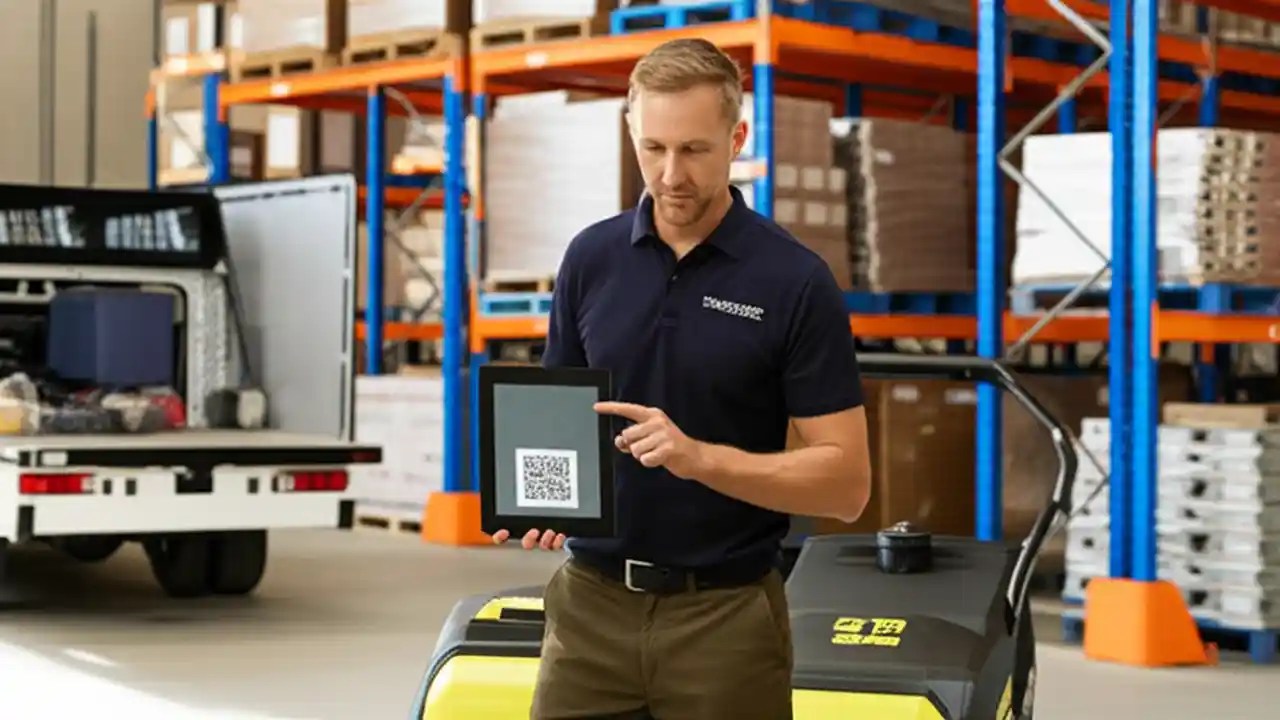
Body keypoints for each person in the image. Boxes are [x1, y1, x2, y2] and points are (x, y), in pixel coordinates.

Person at [490, 37, 871, 720]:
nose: (670, 175)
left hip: (723, 620)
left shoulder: (795, 281)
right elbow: (561, 419)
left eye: (695, 150)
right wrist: (543, 500)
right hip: (588, 611)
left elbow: (846, 485)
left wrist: (699, 459)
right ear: (631, 132)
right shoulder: (590, 259)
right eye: (653, 148)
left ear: (737, 137)